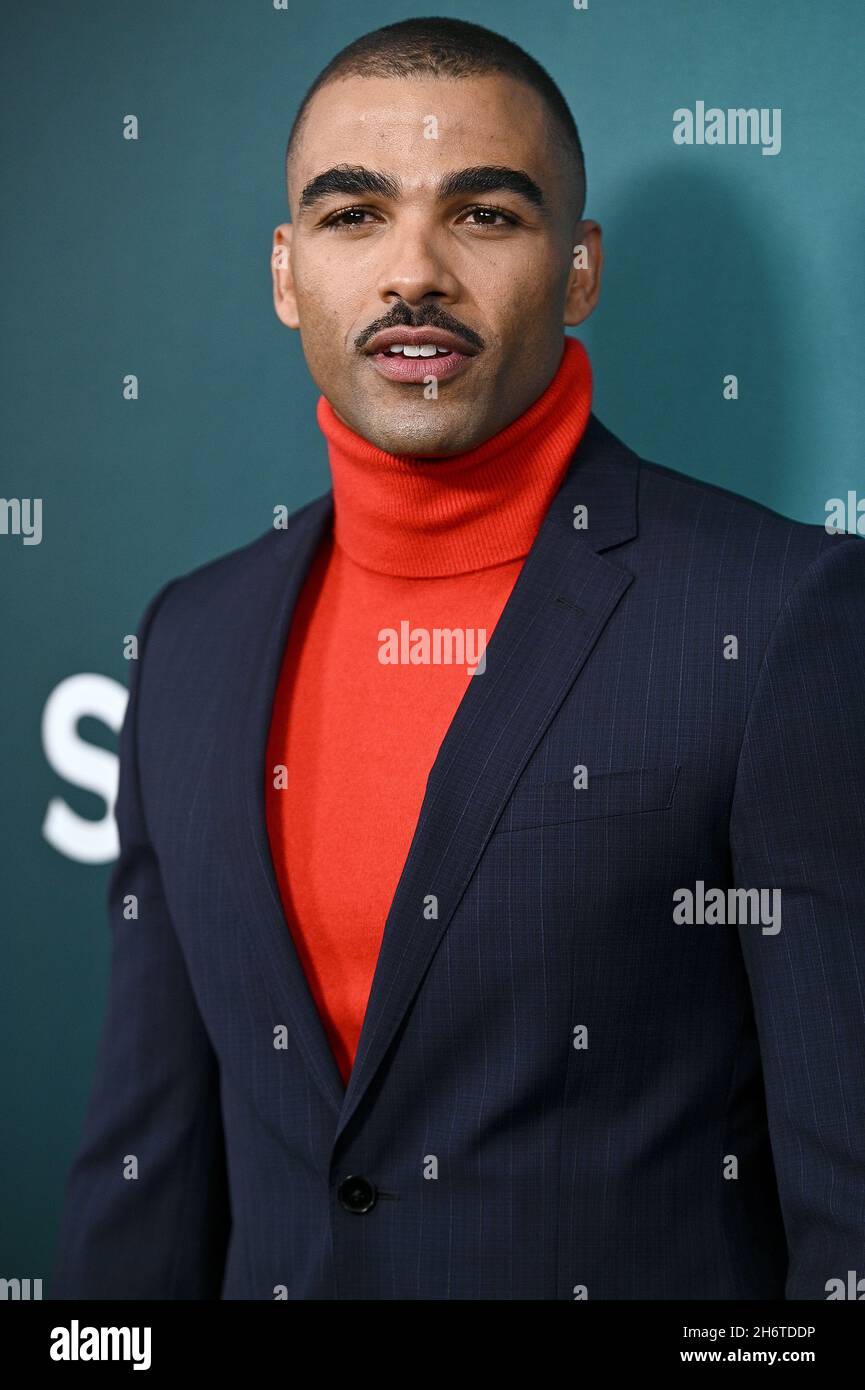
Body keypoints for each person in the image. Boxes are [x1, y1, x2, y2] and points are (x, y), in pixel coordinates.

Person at [51, 16, 865, 1301]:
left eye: (484, 215)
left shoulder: (779, 614)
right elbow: (144, 1171)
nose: (412, 273)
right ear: (284, 274)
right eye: (352, 216)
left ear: (581, 269)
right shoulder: (192, 641)